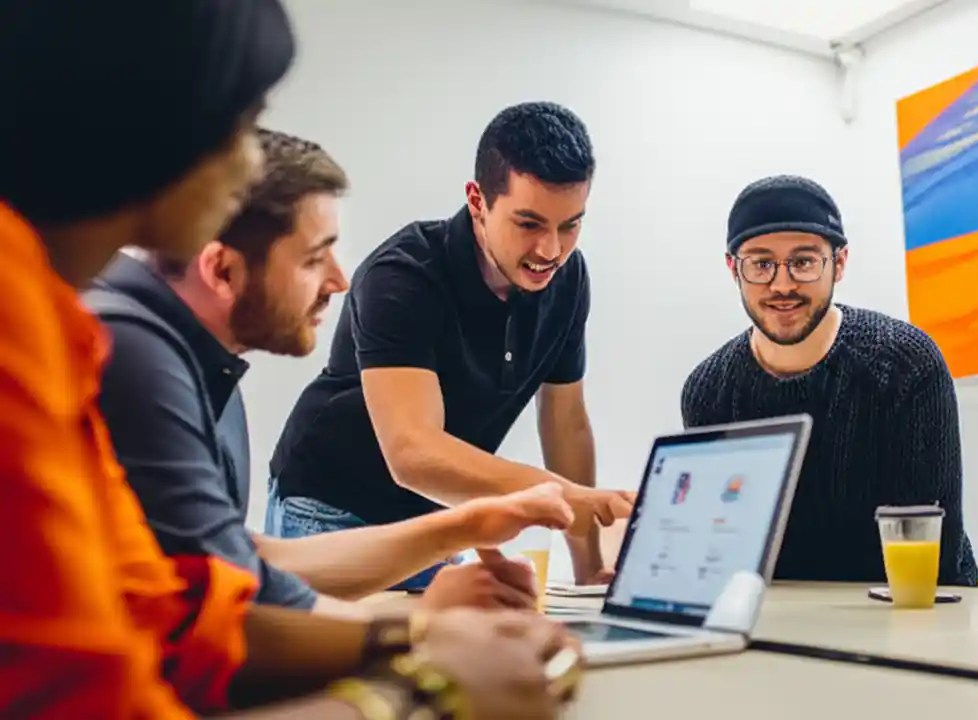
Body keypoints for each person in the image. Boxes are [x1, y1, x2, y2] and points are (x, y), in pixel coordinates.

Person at [0, 2, 578, 718]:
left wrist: (422, 622)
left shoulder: (77, 329)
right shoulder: (76, 341)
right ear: (155, 119)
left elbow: (196, 604)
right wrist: (431, 689)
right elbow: (99, 692)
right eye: (243, 125)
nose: (251, 162)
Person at [88, 128, 575, 618]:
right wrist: (420, 624)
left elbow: (246, 563)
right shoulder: (129, 359)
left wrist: (463, 526)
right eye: (314, 257)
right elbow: (221, 615)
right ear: (223, 271)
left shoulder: (185, 361)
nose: (340, 280)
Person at [267, 101, 634, 588]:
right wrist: (565, 497)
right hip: (331, 510)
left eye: (570, 225)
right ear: (478, 202)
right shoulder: (403, 275)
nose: (551, 251)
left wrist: (589, 568)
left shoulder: (568, 278)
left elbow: (566, 423)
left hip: (439, 520)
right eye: (529, 224)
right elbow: (414, 455)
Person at [681, 175, 978, 585]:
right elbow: (721, 552)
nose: (781, 284)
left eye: (803, 262)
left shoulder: (905, 364)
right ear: (734, 268)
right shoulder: (708, 391)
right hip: (772, 620)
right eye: (761, 264)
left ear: (839, 263)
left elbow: (933, 553)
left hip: (908, 612)